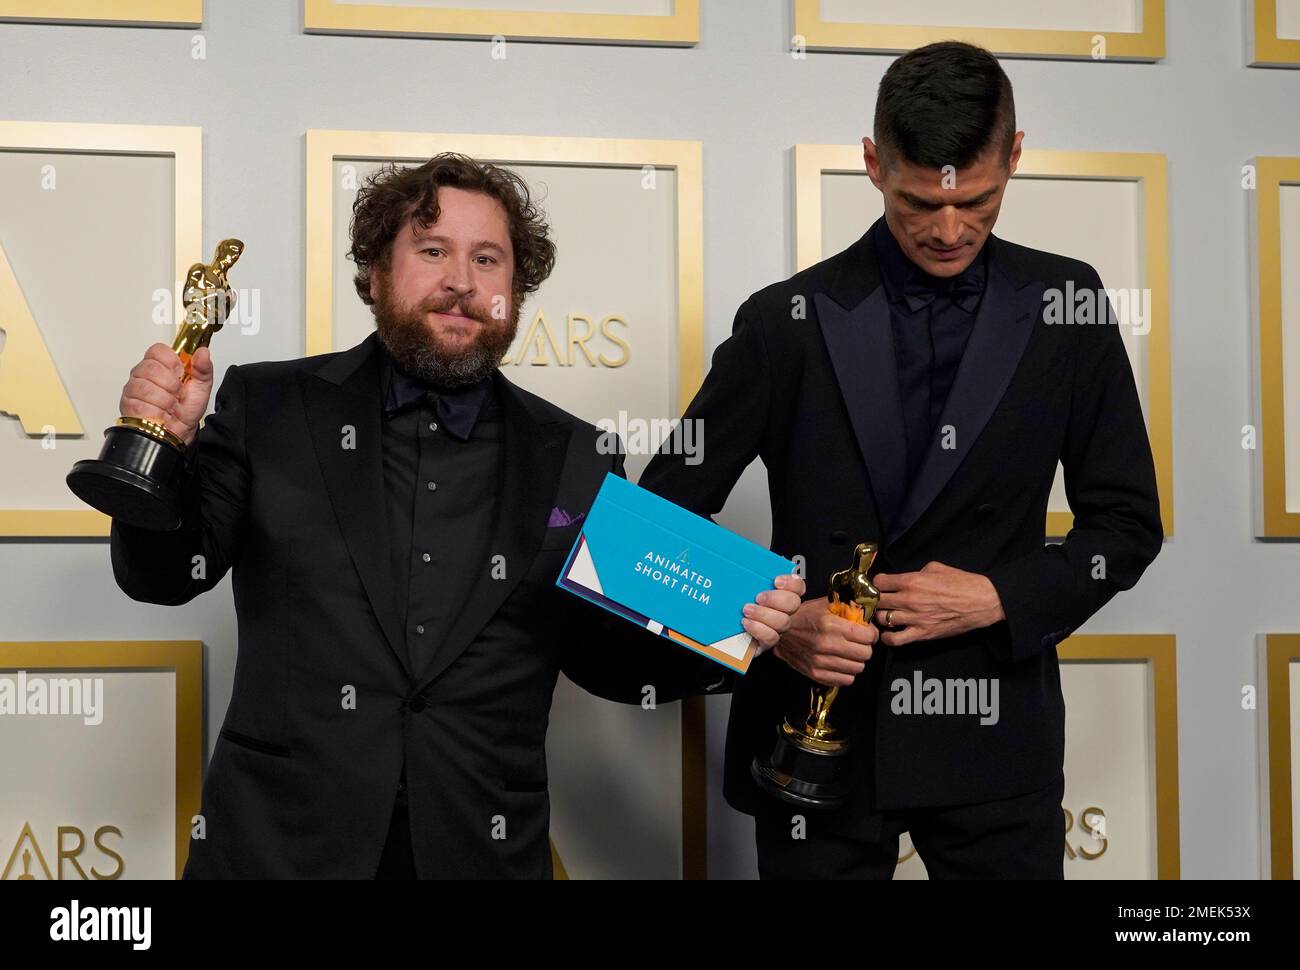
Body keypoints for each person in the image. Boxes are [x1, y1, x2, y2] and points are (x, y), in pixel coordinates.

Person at [109, 153, 805, 879]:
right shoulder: (269, 407)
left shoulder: (577, 454)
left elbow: (602, 658)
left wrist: (728, 628)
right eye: (432, 250)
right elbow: (162, 576)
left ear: (516, 289)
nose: (461, 282)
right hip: (276, 850)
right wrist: (160, 450)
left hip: (481, 853)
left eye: (487, 259)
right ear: (376, 273)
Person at [640, 41, 1162, 879]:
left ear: (1016, 157)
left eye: (980, 201)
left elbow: (1129, 524)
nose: (950, 230)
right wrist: (776, 627)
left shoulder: (1070, 304)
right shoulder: (786, 321)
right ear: (874, 164)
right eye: (921, 203)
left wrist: (1000, 595)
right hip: (815, 746)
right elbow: (652, 527)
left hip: (995, 745)